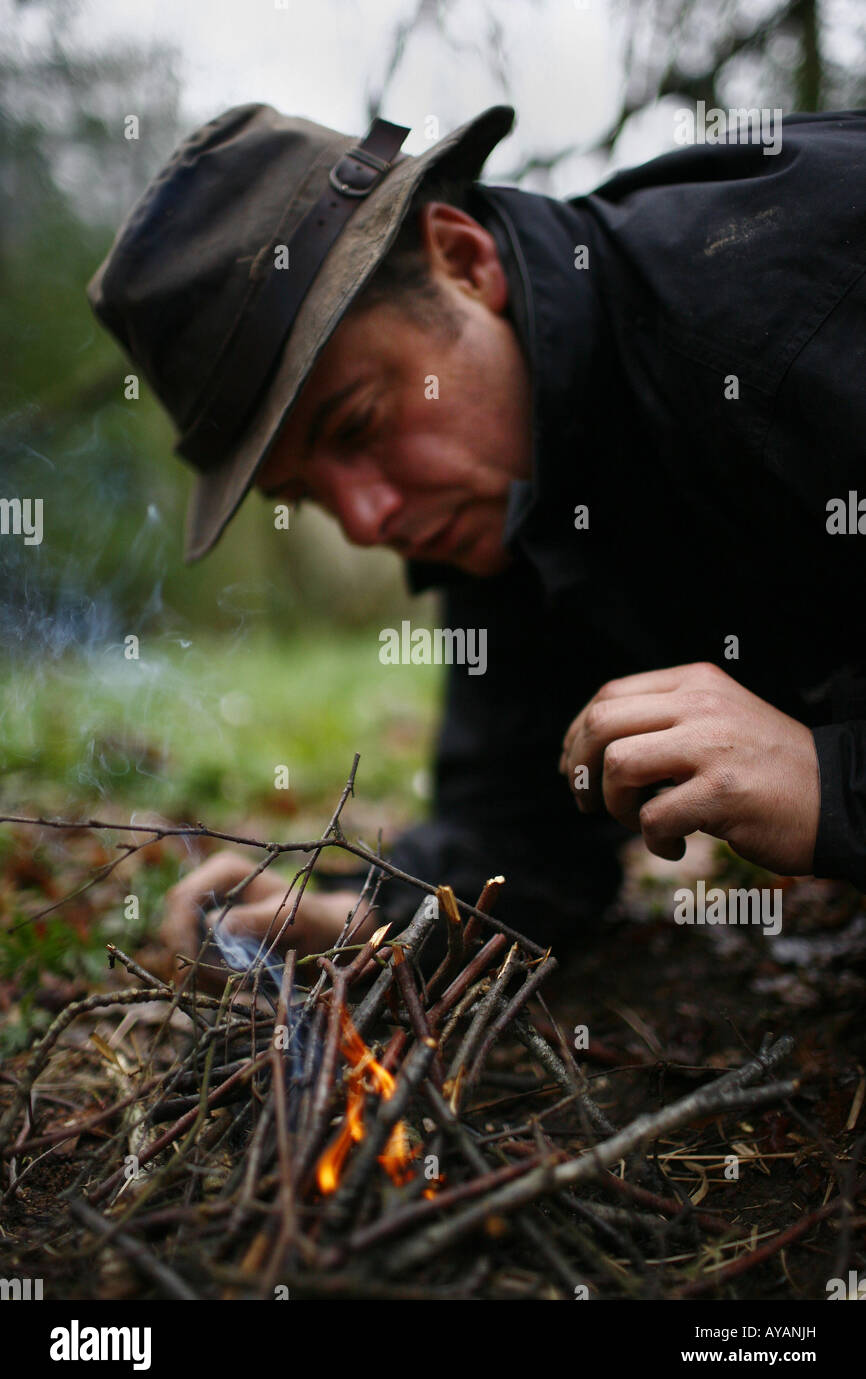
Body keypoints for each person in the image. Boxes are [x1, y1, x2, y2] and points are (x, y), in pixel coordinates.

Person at [86, 101, 866, 978]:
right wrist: (362, 912)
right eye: (304, 495)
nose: (367, 520)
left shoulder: (790, 309)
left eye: (358, 425)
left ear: (464, 261)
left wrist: (832, 783)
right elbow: (525, 833)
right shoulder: (513, 486)